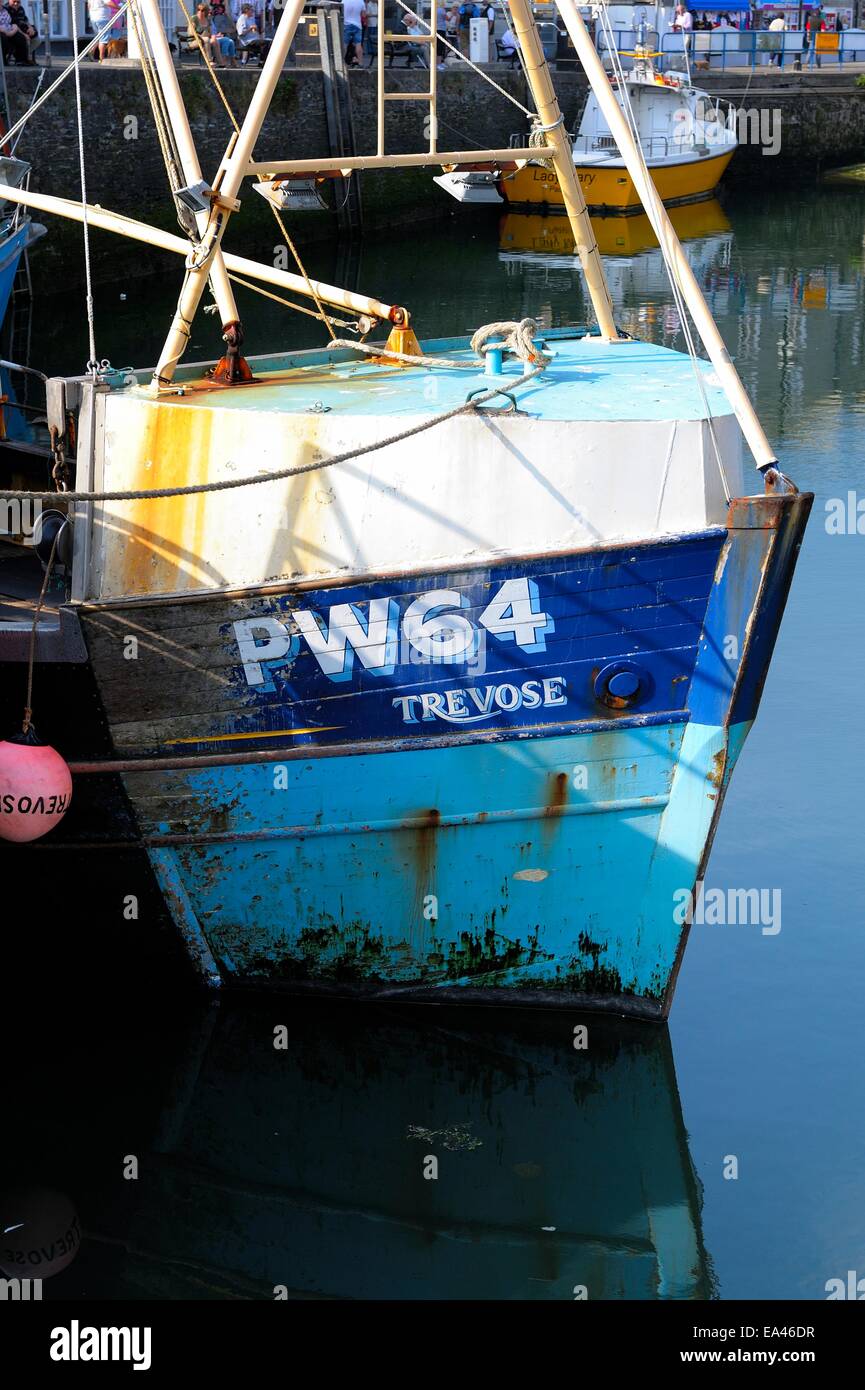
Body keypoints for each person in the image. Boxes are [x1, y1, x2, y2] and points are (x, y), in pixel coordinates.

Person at [342, 0, 364, 67]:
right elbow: (364, 14)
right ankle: (360, 62)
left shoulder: (344, 1)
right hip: (357, 25)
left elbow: (341, 13)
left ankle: (342, 62)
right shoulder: (361, 1)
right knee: (358, 44)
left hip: (346, 24)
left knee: (345, 44)